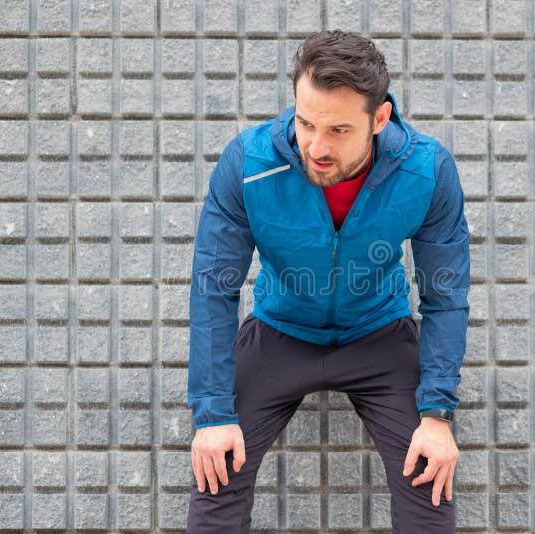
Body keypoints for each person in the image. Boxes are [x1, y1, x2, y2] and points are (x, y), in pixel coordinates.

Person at [186, 30, 470, 533]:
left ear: (379, 119)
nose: (316, 146)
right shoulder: (249, 163)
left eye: (339, 129)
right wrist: (212, 414)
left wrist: (437, 412)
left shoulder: (427, 170)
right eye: (305, 123)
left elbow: (445, 297)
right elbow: (214, 287)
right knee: (216, 475)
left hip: (379, 334)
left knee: (430, 483)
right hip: (280, 331)